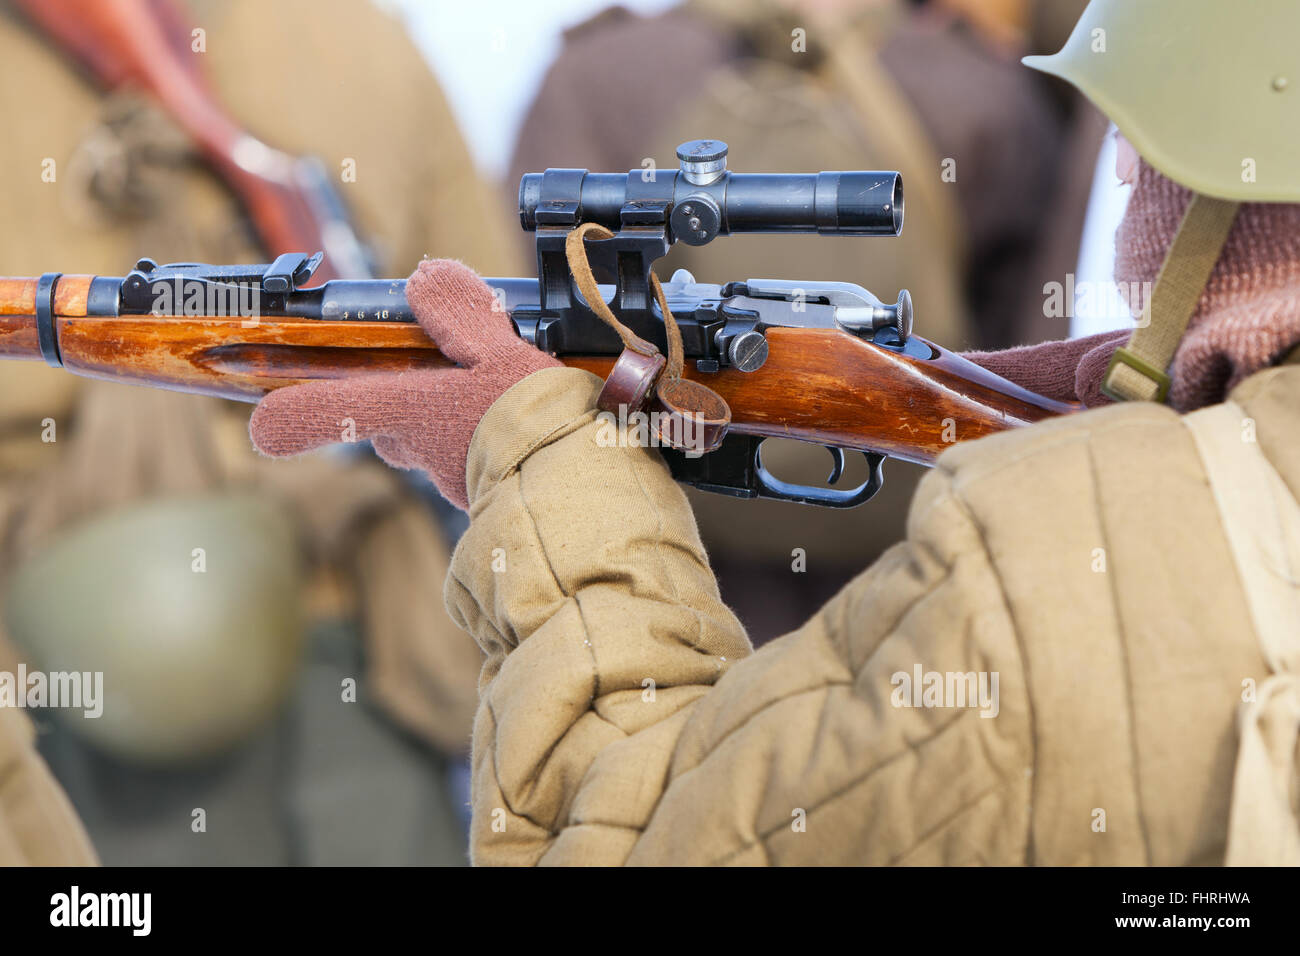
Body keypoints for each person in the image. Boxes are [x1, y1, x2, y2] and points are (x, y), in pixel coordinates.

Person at [201, 0, 1300, 865]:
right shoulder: (970, 80)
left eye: (1139, 161)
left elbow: (626, 836)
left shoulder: (1058, 558)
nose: (1119, 176)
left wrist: (539, 453)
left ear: (1218, 226)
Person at [0, 0, 517, 865]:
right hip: (109, 649)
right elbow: (496, 360)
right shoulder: (360, 34)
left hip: (329, 623)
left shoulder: (357, 38)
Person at [509, 0, 1096, 640]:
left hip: (661, 605)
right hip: (919, 612)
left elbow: (538, 349)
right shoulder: (980, 87)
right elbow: (1034, 337)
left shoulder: (600, 73)